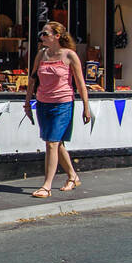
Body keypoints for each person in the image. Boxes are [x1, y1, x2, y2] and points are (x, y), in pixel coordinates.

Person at [23, 21, 92, 197]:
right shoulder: (41, 55)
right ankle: (72, 176)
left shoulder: (70, 56)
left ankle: (46, 186)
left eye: (46, 34)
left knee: (52, 143)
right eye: (42, 34)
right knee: (55, 142)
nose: (42, 37)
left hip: (63, 103)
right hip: (42, 103)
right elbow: (32, 79)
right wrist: (27, 102)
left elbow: (80, 84)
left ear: (57, 36)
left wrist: (86, 107)